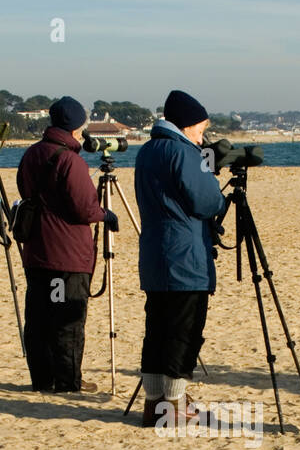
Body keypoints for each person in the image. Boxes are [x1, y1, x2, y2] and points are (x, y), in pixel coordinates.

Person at [134, 89, 226, 428]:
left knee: (157, 329)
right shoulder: (183, 153)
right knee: (183, 331)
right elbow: (206, 202)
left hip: (155, 256)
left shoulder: (147, 151)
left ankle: (153, 403)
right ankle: (172, 405)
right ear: (187, 125)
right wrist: (213, 179)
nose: (203, 137)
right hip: (185, 257)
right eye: (201, 129)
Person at [15, 96, 117, 394]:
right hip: (66, 256)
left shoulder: (32, 153)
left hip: (37, 251)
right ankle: (68, 381)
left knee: (39, 319)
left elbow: (25, 188)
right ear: (76, 127)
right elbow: (84, 208)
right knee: (67, 320)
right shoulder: (69, 160)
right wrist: (105, 214)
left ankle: (42, 379)